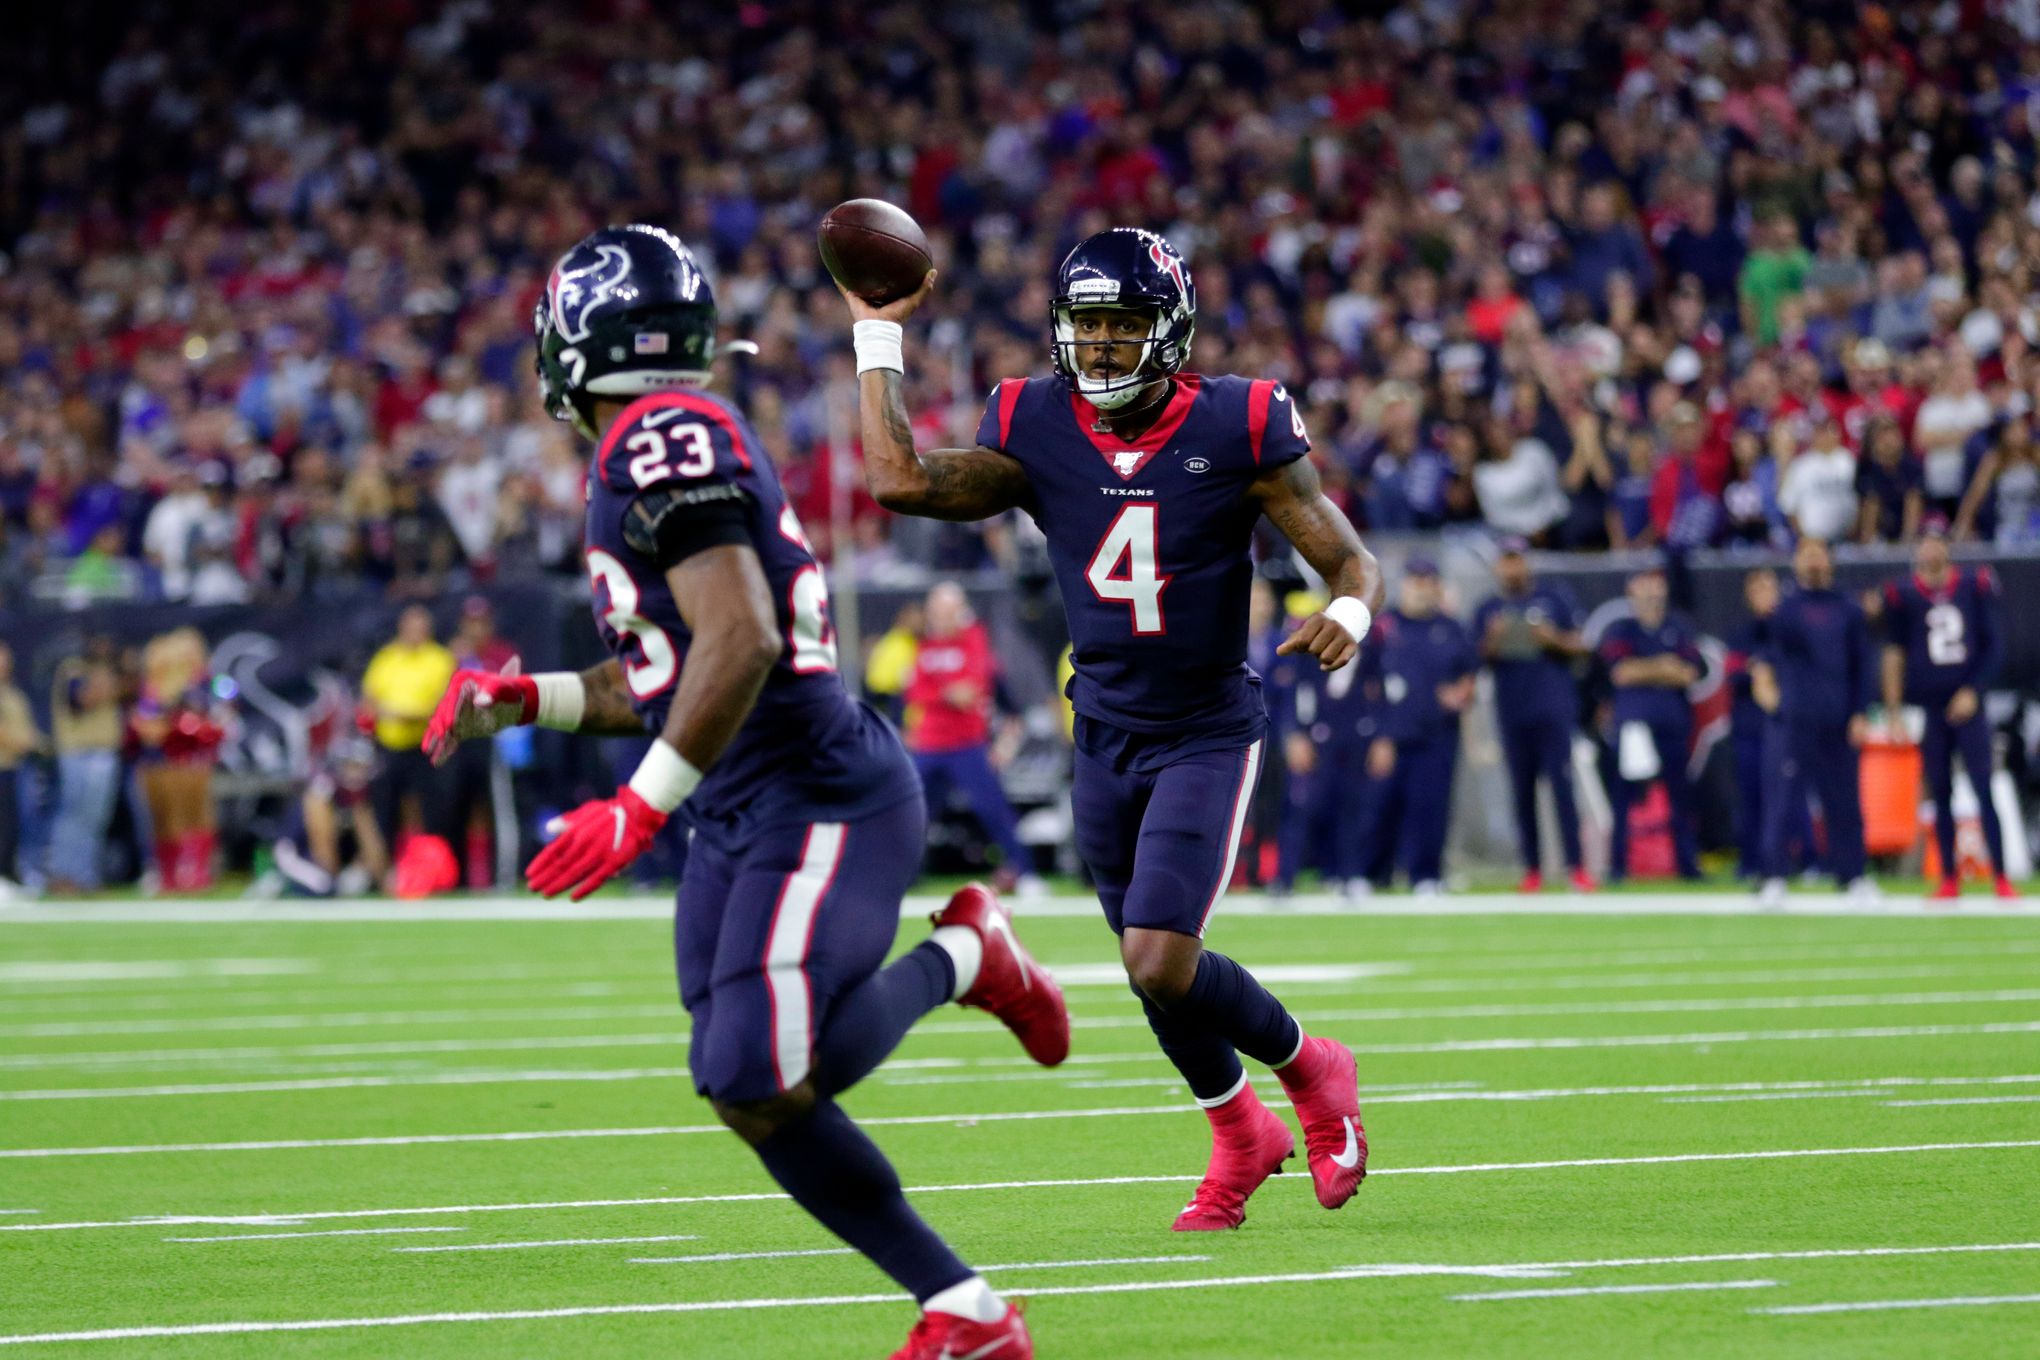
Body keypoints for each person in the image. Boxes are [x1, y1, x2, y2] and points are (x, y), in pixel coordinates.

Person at [421, 225, 1063, 1360]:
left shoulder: (660, 435)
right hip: (746, 807)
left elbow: (742, 637)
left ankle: (965, 957)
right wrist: (529, 699)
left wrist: (641, 805)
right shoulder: (663, 434)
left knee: (759, 1065)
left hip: (817, 795)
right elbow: (669, 672)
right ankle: (964, 1310)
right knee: (740, 1079)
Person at [843, 227, 1383, 1235]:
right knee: (1150, 968)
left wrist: (1348, 611)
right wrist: (878, 337)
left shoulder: (1239, 421)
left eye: (1124, 325)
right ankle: (1238, 1131)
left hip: (1205, 728)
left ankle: (1313, 1067)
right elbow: (899, 481)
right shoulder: (1036, 419)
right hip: (1101, 729)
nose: (1099, 346)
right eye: (1086, 325)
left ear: (1169, 332)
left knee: (1159, 959)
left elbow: (1351, 561)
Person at [1880, 533, 2016, 899]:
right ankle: (1948, 877)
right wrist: (1893, 709)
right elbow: (1894, 652)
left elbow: (1994, 645)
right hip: (1931, 706)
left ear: (1947, 548)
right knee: (1939, 791)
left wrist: (1974, 690)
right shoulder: (1902, 594)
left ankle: (2001, 876)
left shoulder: (1974, 585)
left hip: (1969, 704)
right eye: (1924, 542)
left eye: (1936, 541)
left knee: (1983, 786)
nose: (1930, 549)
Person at [1751, 537, 1876, 907]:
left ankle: (1852, 876)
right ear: (1795, 562)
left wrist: (1860, 712)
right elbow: (1767, 652)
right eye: (1806, 554)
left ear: (1831, 560)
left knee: (1845, 802)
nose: (1814, 561)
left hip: (1838, 719)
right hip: (1795, 719)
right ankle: (1774, 877)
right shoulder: (1785, 609)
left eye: (1819, 553)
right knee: (1783, 800)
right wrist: (1764, 615)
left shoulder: (1847, 608)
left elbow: (1862, 664)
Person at [902, 582, 1039, 894]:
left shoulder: (974, 638)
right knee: (912, 812)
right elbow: (915, 692)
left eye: (946, 611)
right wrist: (946, 693)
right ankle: (903, 875)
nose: (940, 617)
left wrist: (940, 691)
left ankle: (1025, 871)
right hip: (929, 744)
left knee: (994, 809)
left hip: (967, 744)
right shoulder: (923, 645)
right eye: (936, 611)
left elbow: (974, 686)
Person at [1473, 538, 1592, 892]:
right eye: (1506, 561)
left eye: (1517, 560)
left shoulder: (1554, 598)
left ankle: (1576, 867)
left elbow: (1583, 645)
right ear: (1499, 566)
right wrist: (1493, 639)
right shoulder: (1488, 607)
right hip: (1513, 710)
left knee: (1562, 788)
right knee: (1522, 791)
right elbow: (1474, 659)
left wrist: (1552, 639)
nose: (1512, 568)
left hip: (1553, 707)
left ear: (1527, 563)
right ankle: (1532, 869)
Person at [1362, 560, 1476, 894]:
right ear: (1404, 584)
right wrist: (1377, 734)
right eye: (1416, 580)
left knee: (1430, 807)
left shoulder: (1451, 627)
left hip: (1438, 733)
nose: (1422, 588)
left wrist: (1461, 693)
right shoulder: (1384, 626)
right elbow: (1368, 683)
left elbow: (1470, 672)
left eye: (1428, 581)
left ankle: (1426, 875)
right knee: (1380, 805)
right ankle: (1371, 874)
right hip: (1391, 733)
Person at [1595, 569, 1703, 882]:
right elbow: (1622, 673)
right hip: (1634, 725)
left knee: (1679, 795)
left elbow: (1691, 673)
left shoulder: (1677, 627)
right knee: (1625, 796)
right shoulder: (1621, 629)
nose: (1651, 593)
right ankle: (1618, 866)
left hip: (1672, 722)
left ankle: (1687, 865)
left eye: (1656, 585)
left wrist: (1646, 669)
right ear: (1632, 592)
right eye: (1644, 586)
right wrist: (1665, 666)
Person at [130, 628, 230, 891]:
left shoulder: (208, 682)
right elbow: (146, 725)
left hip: (193, 760)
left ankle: (196, 869)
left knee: (197, 814)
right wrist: (172, 727)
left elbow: (226, 705)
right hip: (160, 760)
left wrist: (200, 726)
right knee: (165, 818)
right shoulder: (154, 689)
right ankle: (168, 872)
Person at [360, 605, 456, 857]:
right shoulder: (386, 658)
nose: (415, 632)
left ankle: (433, 864)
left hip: (426, 748)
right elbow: (369, 699)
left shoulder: (440, 659)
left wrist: (410, 714)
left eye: (420, 627)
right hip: (389, 746)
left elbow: (445, 703)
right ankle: (385, 867)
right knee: (384, 810)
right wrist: (381, 713)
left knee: (432, 810)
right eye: (410, 626)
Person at [48, 637, 124, 893]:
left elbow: (130, 690)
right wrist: (107, 684)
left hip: (104, 752)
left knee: (96, 818)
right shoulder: (73, 669)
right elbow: (82, 700)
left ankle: (86, 876)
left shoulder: (108, 671)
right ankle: (63, 875)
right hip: (79, 752)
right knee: (73, 814)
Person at [0, 643, 40, 895]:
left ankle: (9, 874)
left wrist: (38, 744)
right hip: (3, 762)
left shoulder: (12, 694)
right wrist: (24, 743)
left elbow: (27, 728)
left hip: (14, 766)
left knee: (14, 824)